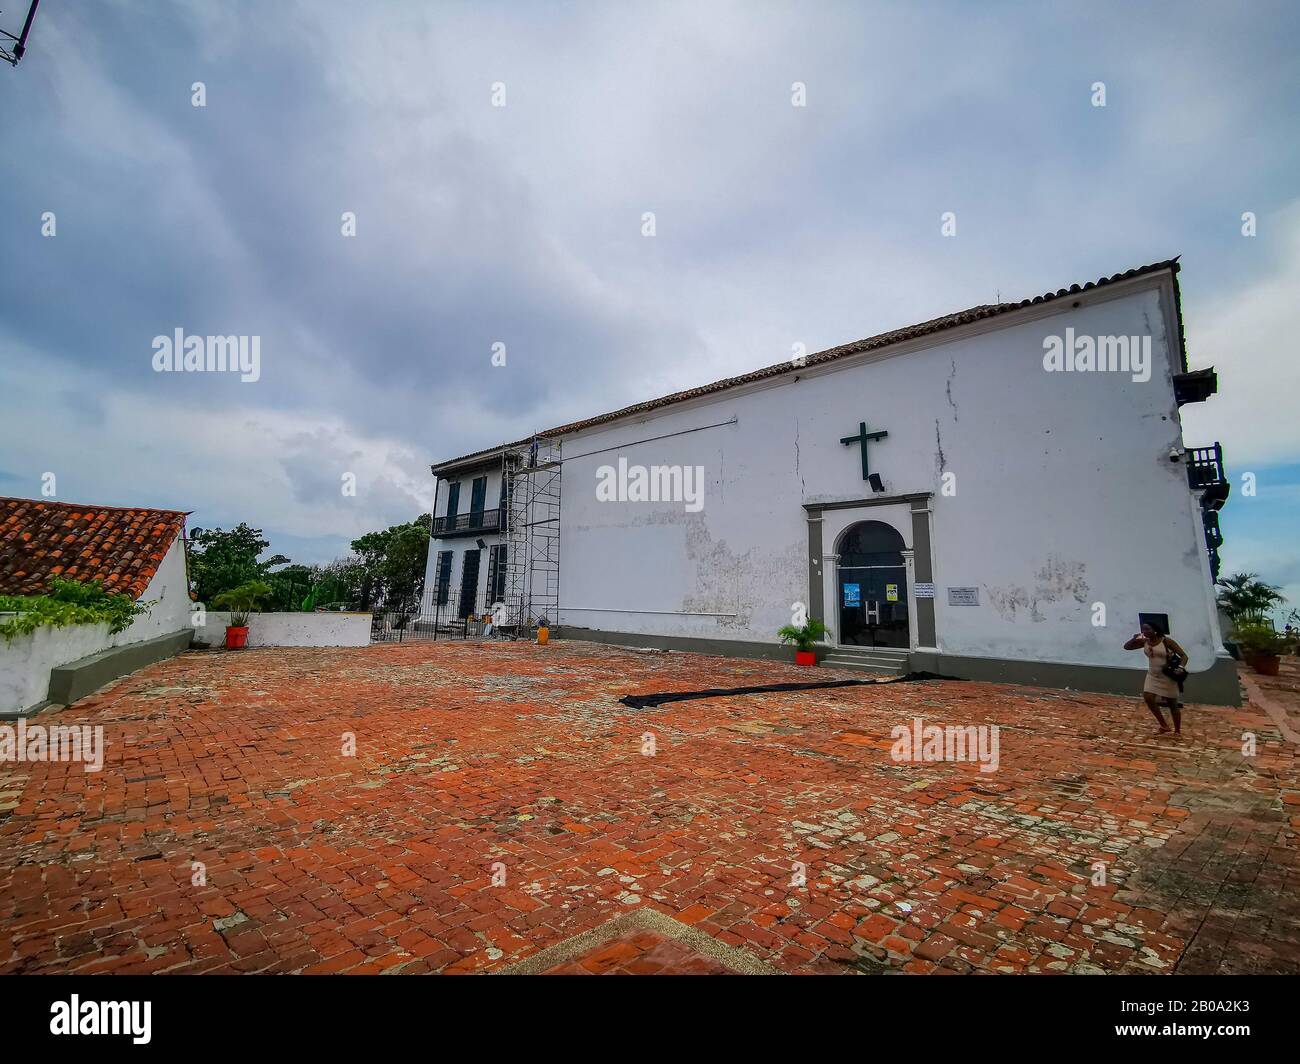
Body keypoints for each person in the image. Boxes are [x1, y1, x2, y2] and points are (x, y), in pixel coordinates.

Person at [1124, 621, 1188, 736]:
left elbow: (1184, 656)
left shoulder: (1166, 641)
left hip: (1167, 675)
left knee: (1172, 703)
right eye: (1144, 630)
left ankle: (1177, 730)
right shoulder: (1145, 642)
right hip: (1152, 675)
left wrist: (1180, 667)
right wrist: (1134, 639)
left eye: (1148, 629)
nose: (1145, 632)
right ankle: (1164, 725)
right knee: (1148, 697)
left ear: (1155, 630)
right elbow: (1127, 647)